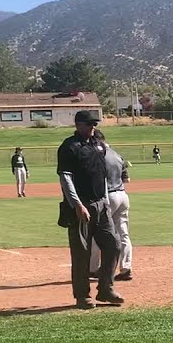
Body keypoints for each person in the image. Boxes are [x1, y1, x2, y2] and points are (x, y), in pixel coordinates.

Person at [57, 110, 123, 309]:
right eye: (89, 124)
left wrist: (105, 200)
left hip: (101, 204)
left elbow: (101, 175)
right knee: (81, 253)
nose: (93, 128)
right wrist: (77, 204)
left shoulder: (97, 145)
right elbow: (65, 178)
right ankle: (82, 296)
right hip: (81, 206)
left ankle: (105, 289)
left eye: (94, 124)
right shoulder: (70, 147)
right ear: (79, 125)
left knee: (113, 246)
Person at [89, 132, 133, 282]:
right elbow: (126, 179)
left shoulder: (99, 156)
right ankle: (126, 268)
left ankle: (94, 268)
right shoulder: (117, 155)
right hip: (122, 195)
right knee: (123, 234)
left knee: (96, 232)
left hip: (108, 196)